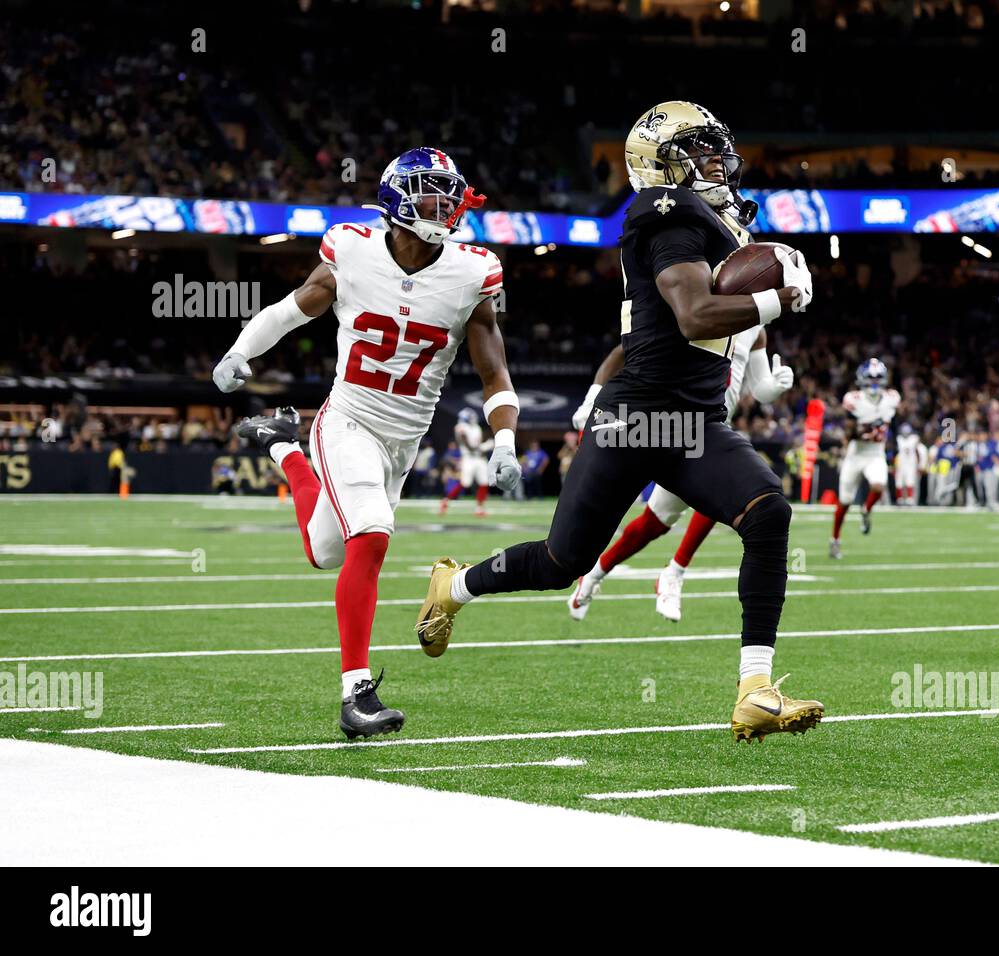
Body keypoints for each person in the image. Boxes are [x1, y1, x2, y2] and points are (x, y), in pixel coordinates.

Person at [413, 101, 823, 743]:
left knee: (768, 511)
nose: (716, 159)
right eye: (697, 149)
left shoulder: (715, 219)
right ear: (660, 165)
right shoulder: (669, 213)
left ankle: (754, 688)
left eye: (718, 147)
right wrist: (776, 297)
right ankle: (455, 584)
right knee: (561, 561)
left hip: (694, 422)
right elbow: (692, 315)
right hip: (635, 417)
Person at [212, 147, 521, 739]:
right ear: (399, 199)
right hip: (349, 419)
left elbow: (493, 374)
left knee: (327, 552)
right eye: (431, 191)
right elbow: (292, 308)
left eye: (449, 191)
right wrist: (240, 350)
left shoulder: (470, 272)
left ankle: (284, 449)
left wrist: (503, 440)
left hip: (403, 441)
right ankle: (356, 695)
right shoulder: (351, 249)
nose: (446, 203)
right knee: (373, 533)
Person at [567, 325, 795, 623]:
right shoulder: (695, 303)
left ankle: (603, 573)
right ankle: (664, 572)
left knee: (658, 521)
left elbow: (760, 388)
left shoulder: (757, 327)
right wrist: (591, 400)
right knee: (710, 497)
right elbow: (621, 352)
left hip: (711, 430)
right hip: (670, 420)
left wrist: (774, 386)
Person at [831, 357, 899, 557]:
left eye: (878, 377)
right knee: (844, 500)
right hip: (856, 453)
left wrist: (891, 450)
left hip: (875, 453)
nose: (875, 381)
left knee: (878, 486)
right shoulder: (854, 400)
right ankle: (835, 540)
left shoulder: (892, 398)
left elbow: (892, 425)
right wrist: (865, 431)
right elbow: (848, 432)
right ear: (862, 378)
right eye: (871, 377)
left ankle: (866, 510)